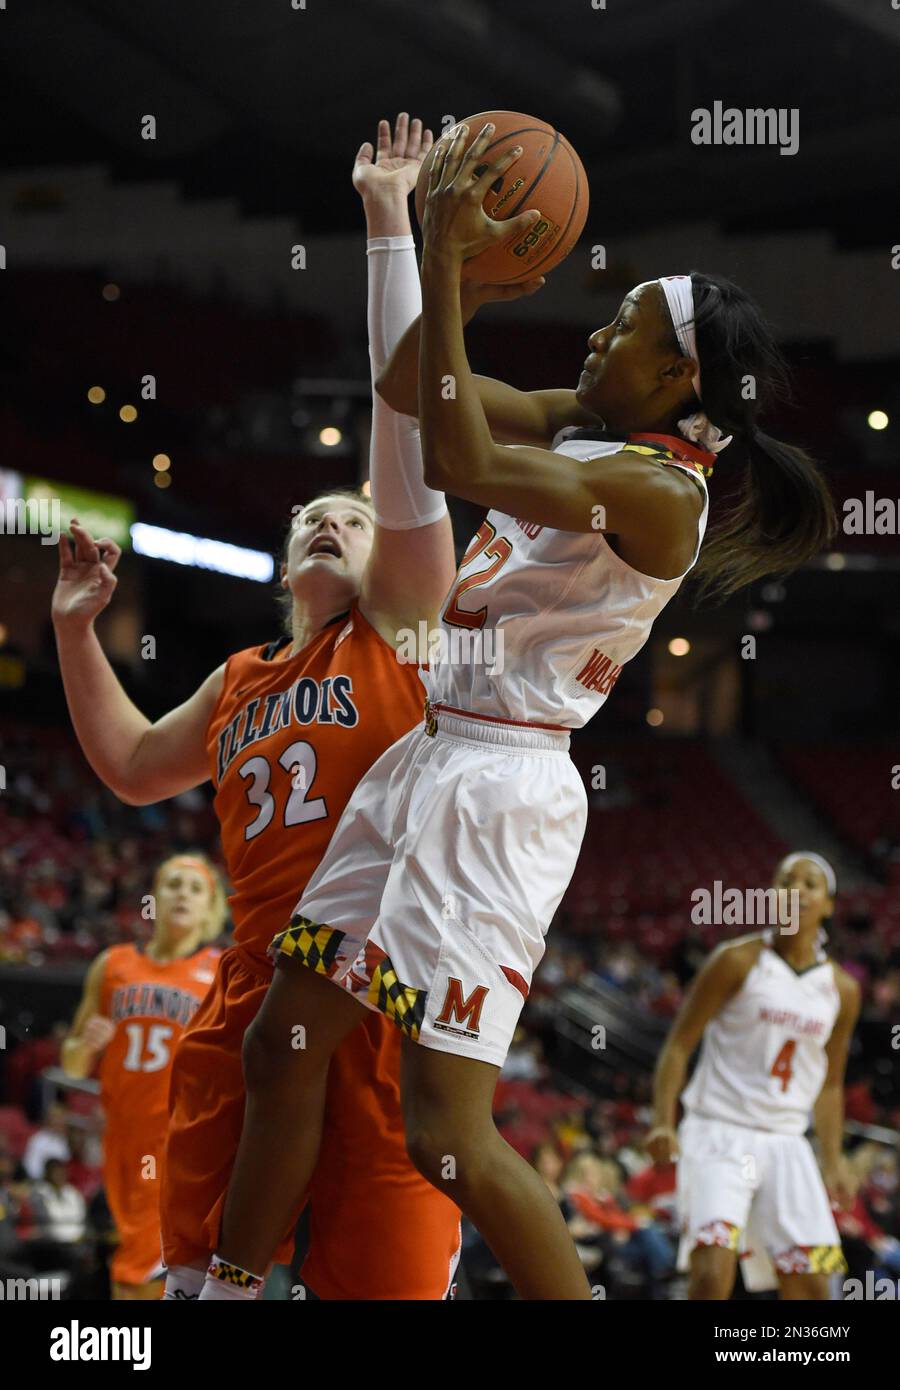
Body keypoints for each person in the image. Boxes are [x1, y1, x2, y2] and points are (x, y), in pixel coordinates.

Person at [207, 123, 836, 1300]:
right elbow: (407, 389)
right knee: (281, 1048)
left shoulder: (658, 491)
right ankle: (224, 1290)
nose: (596, 334)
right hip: (426, 753)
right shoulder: (588, 424)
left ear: (679, 376)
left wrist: (452, 262)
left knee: (444, 1136)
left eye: (624, 326)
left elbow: (450, 455)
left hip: (501, 789)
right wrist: (441, 263)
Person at [52, 112, 493, 1301]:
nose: (332, 521)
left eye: (352, 516)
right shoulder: (241, 677)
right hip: (253, 985)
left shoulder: (402, 623)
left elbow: (405, 430)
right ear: (283, 559)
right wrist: (74, 632)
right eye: (311, 517)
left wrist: (388, 218)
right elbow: (134, 768)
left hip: (384, 980)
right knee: (197, 1286)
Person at [649, 852, 860, 1299]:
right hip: (717, 1130)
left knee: (815, 1284)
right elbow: (679, 1044)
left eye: (810, 884)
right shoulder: (736, 960)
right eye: (786, 881)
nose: (796, 890)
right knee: (712, 1274)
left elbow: (831, 1084)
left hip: (788, 1141)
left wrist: (833, 1159)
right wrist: (663, 1121)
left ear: (829, 905)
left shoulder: (842, 990)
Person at [61, 853, 225, 1299]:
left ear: (209, 908)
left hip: (181, 1137)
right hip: (121, 1136)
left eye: (195, 888)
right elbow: (72, 1063)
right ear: (154, 898)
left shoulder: (220, 972)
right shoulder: (112, 964)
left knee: (146, 1268)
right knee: (136, 1264)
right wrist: (85, 1046)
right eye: (173, 884)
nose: (183, 895)